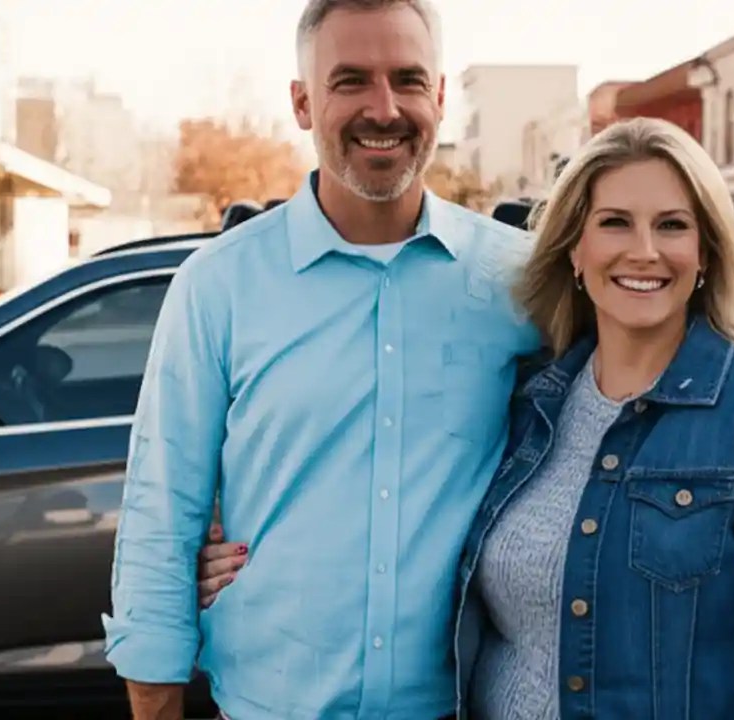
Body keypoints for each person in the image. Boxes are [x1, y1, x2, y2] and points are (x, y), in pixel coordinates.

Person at [200, 117, 734, 718]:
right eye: (616, 222)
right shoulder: (533, 403)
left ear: (708, 251)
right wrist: (247, 549)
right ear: (575, 249)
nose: (645, 251)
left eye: (674, 225)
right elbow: (400, 501)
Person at [101, 0, 539, 718]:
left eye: (406, 78)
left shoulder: (520, 280)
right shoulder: (218, 286)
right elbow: (161, 515)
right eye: (350, 81)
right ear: (303, 103)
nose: (384, 107)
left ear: (439, 96)